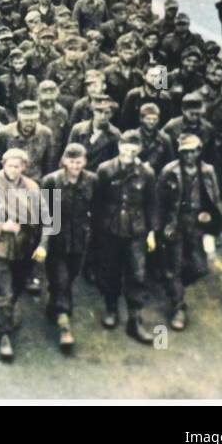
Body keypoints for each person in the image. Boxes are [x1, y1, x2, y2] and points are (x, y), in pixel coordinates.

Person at [90, 130, 157, 344]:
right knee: (110, 269)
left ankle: (135, 318)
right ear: (119, 146)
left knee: (137, 272)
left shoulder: (146, 173)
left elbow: (151, 203)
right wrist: (97, 229)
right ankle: (111, 308)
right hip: (110, 227)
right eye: (126, 147)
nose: (129, 152)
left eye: (134, 149)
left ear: (139, 150)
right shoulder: (105, 170)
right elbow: (97, 202)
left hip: (136, 229)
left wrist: (152, 232)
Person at [0, 147, 42, 362]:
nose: (14, 170)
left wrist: (25, 223)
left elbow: (41, 217)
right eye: (10, 165)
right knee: (2, 289)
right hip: (0, 246)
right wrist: (1, 226)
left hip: (23, 247)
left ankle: (7, 313)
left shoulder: (32, 187)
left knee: (17, 287)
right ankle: (5, 335)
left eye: (18, 166)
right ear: (3, 165)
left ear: (24, 167)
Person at [157, 133, 222, 331]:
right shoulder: (170, 171)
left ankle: (172, 285)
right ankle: (178, 306)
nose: (190, 155)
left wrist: (211, 218)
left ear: (199, 151)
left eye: (194, 151)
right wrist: (159, 229)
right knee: (174, 265)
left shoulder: (207, 171)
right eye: (185, 152)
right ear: (180, 152)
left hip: (197, 224)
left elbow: (215, 199)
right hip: (175, 222)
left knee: (200, 267)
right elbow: (160, 202)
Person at [36, 143, 95, 352]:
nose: (75, 166)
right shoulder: (51, 181)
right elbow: (45, 215)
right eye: (71, 161)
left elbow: (96, 209)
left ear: (85, 162)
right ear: (63, 161)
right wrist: (43, 244)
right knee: (61, 279)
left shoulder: (91, 181)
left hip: (80, 241)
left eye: (79, 162)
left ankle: (54, 305)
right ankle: (64, 326)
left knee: (69, 278)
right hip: (57, 241)